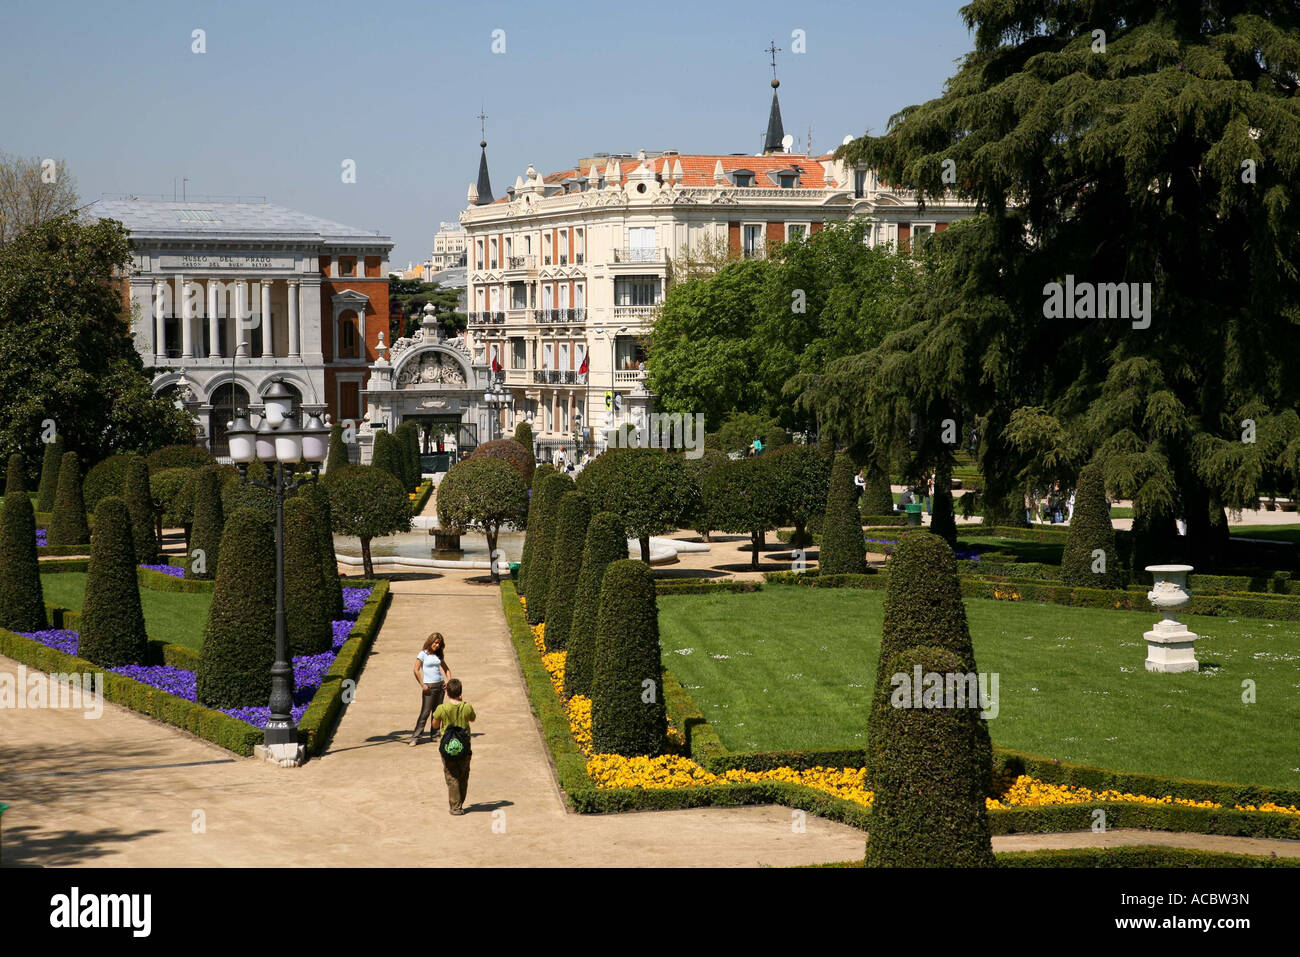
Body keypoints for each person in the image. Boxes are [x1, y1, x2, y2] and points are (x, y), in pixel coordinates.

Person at [432, 678, 477, 815]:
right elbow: (473, 719)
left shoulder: (442, 708)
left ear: (447, 693)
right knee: (463, 775)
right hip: (464, 745)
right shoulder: (466, 706)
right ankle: (460, 802)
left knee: (452, 776)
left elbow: (434, 725)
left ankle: (455, 807)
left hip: (447, 746)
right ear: (460, 692)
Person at [409, 633, 451, 746]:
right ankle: (415, 737)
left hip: (440, 686)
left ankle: (435, 735)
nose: (437, 645)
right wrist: (422, 685)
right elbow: (416, 670)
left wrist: (448, 681)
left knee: (437, 713)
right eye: (435, 642)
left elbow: (447, 669)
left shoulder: (438, 655)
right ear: (430, 641)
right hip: (429, 687)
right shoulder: (423, 654)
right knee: (425, 712)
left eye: (439, 644)